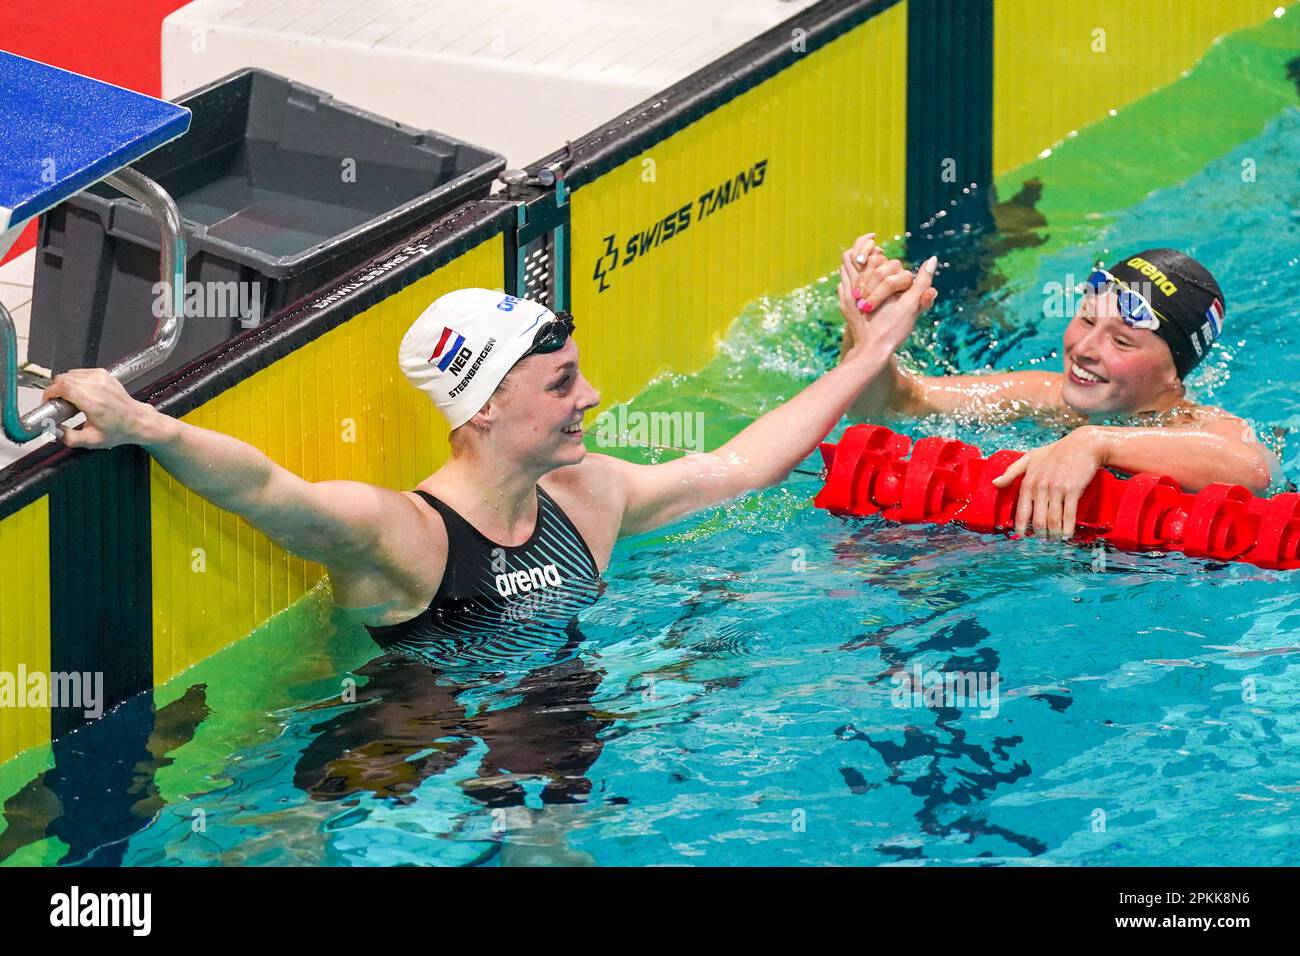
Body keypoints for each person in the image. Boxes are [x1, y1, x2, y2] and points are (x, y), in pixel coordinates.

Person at [40, 278, 936, 640]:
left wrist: (864, 363)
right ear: (485, 407)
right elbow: (268, 490)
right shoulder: (402, 535)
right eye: (562, 384)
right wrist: (143, 424)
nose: (591, 398)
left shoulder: (589, 493)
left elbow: (743, 466)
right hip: (411, 748)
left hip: (557, 740)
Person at [836, 235, 1276, 541]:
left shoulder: (1200, 427)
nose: (1084, 349)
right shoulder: (1046, 398)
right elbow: (892, 404)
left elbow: (1255, 471)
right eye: (1085, 319)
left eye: (1121, 340)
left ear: (1173, 375)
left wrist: (1096, 442)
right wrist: (870, 340)